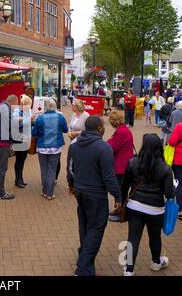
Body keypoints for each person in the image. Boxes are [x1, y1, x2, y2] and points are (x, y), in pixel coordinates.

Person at [66, 116, 122, 276]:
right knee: (96, 227)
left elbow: (70, 168)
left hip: (80, 191)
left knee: (85, 225)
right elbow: (109, 176)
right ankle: (83, 267)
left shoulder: (75, 146)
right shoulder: (104, 148)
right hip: (96, 194)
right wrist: (117, 196)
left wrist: (71, 184)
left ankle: (85, 260)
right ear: (99, 128)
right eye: (103, 126)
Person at [120, 133, 175, 276]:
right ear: (159, 148)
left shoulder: (133, 162)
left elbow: (124, 185)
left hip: (135, 205)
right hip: (155, 209)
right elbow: (169, 194)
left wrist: (121, 200)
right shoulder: (165, 168)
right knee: (155, 237)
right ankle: (156, 262)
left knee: (133, 237)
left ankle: (129, 269)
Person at [32, 98, 68, 200]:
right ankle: (49, 193)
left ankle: (45, 191)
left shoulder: (40, 118)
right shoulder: (60, 117)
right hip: (55, 148)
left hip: (42, 148)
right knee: (52, 170)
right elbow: (65, 130)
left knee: (44, 169)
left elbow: (34, 133)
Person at [0, 95, 18, 200]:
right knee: (2, 167)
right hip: (2, 141)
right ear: (14, 102)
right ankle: (0, 193)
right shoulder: (6, 109)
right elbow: (10, 125)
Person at [107, 110, 134, 222]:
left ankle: (121, 213)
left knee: (120, 190)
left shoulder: (121, 132)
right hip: (123, 165)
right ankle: (119, 209)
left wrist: (106, 142)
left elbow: (112, 146)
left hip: (121, 166)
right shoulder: (123, 130)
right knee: (120, 189)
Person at [12, 94, 33, 188]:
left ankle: (20, 179)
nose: (30, 106)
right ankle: (18, 180)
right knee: (19, 160)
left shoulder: (27, 111)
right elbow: (14, 123)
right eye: (28, 104)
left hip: (26, 138)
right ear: (23, 104)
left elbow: (29, 122)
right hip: (19, 139)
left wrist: (32, 120)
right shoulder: (17, 112)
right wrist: (27, 120)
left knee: (22, 160)